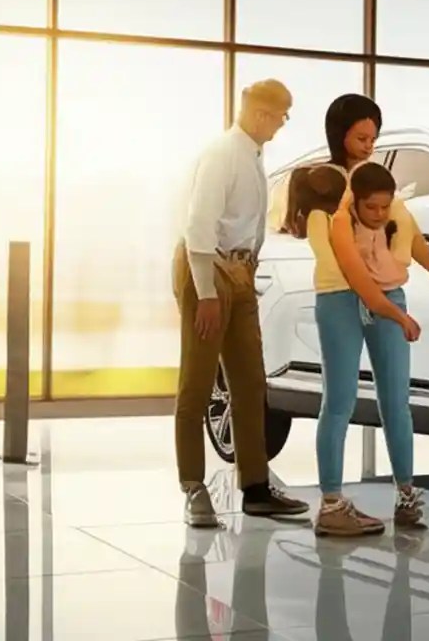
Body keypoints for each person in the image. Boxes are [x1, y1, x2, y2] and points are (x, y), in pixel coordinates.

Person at [301, 94, 429, 536]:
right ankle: (331, 504)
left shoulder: (378, 183)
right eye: (361, 137)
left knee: (397, 401)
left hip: (389, 293)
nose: (368, 145)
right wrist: (386, 305)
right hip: (339, 296)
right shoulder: (324, 184)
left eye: (373, 137)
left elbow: (409, 233)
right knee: (339, 401)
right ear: (340, 135)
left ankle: (407, 497)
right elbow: (331, 249)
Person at [173, 78, 310, 527]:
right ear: (259, 113)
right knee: (197, 382)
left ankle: (255, 487)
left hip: (239, 271)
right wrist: (206, 294)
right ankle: (194, 489)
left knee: (250, 382)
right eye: (280, 116)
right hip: (208, 269)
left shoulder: (252, 155)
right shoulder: (223, 154)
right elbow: (198, 227)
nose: (281, 124)